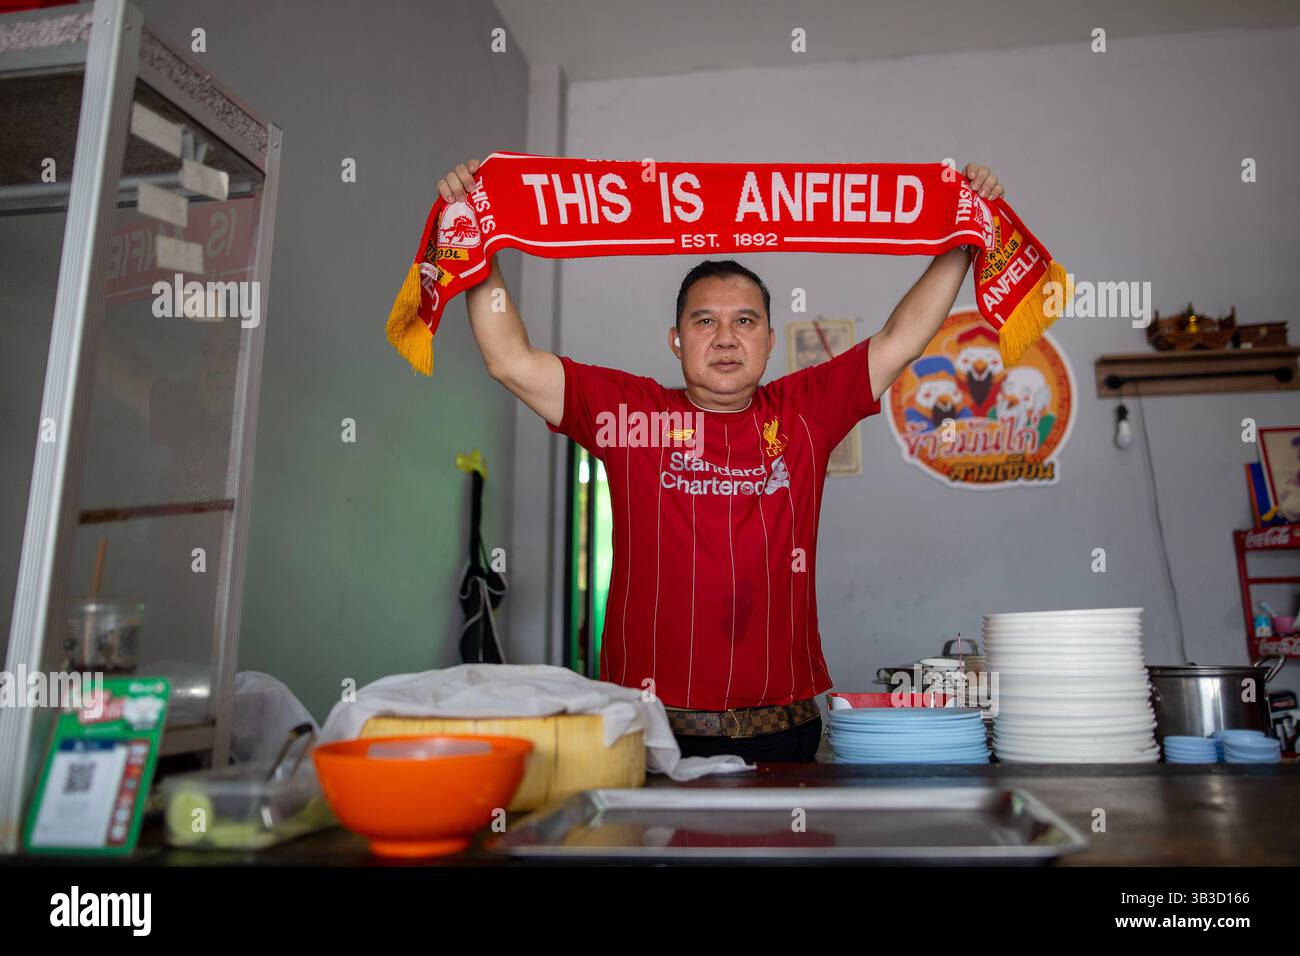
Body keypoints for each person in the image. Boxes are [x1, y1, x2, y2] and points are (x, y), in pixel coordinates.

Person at [440, 157, 1005, 763]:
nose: (727, 338)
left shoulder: (807, 410)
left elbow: (902, 337)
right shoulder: (628, 411)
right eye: (705, 322)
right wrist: (479, 244)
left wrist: (963, 241)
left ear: (766, 338)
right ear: (677, 340)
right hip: (652, 733)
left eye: (745, 322)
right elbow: (511, 360)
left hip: (784, 733)